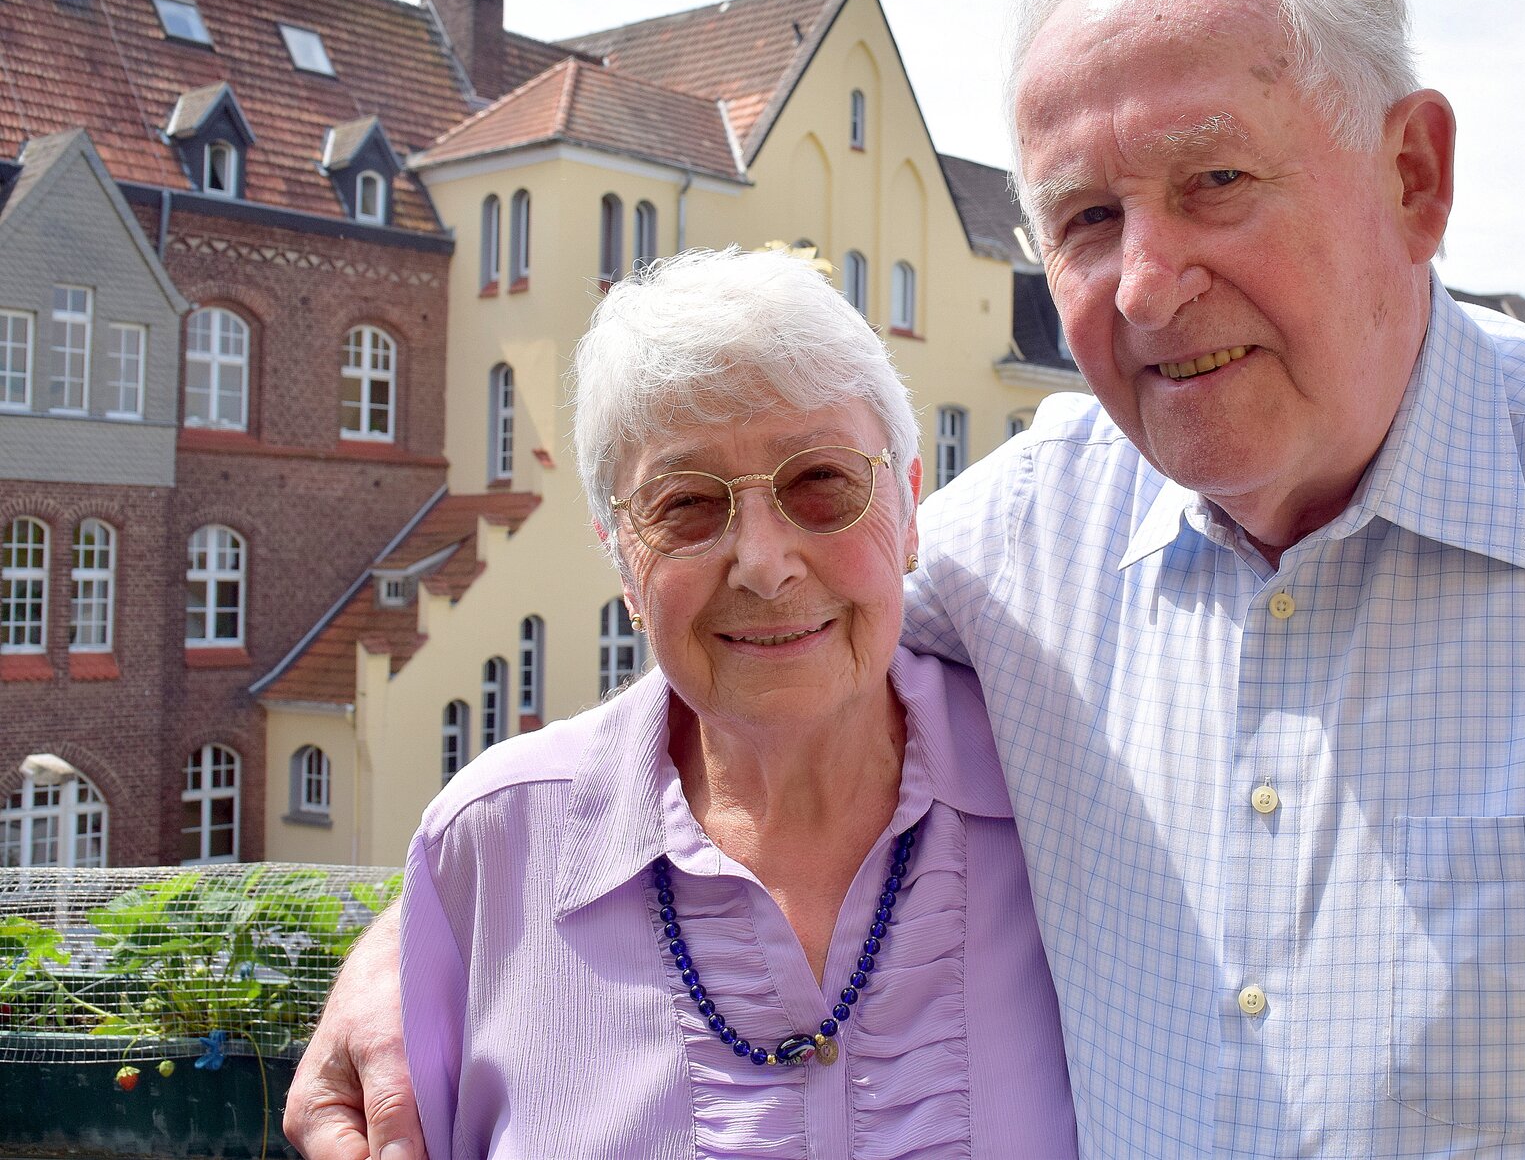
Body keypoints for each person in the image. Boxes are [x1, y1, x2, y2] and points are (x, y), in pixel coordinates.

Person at [290, 0, 1525, 1159]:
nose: (1145, 281)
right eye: (1083, 217)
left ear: (1414, 178)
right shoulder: (1020, 539)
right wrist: (431, 933)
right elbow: (752, 632)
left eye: (1216, 185)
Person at [394, 248, 1077, 1158]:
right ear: (622, 561)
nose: (763, 560)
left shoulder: (1062, 789)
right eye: (685, 505)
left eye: (821, 483)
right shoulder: (491, 848)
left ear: (909, 510)